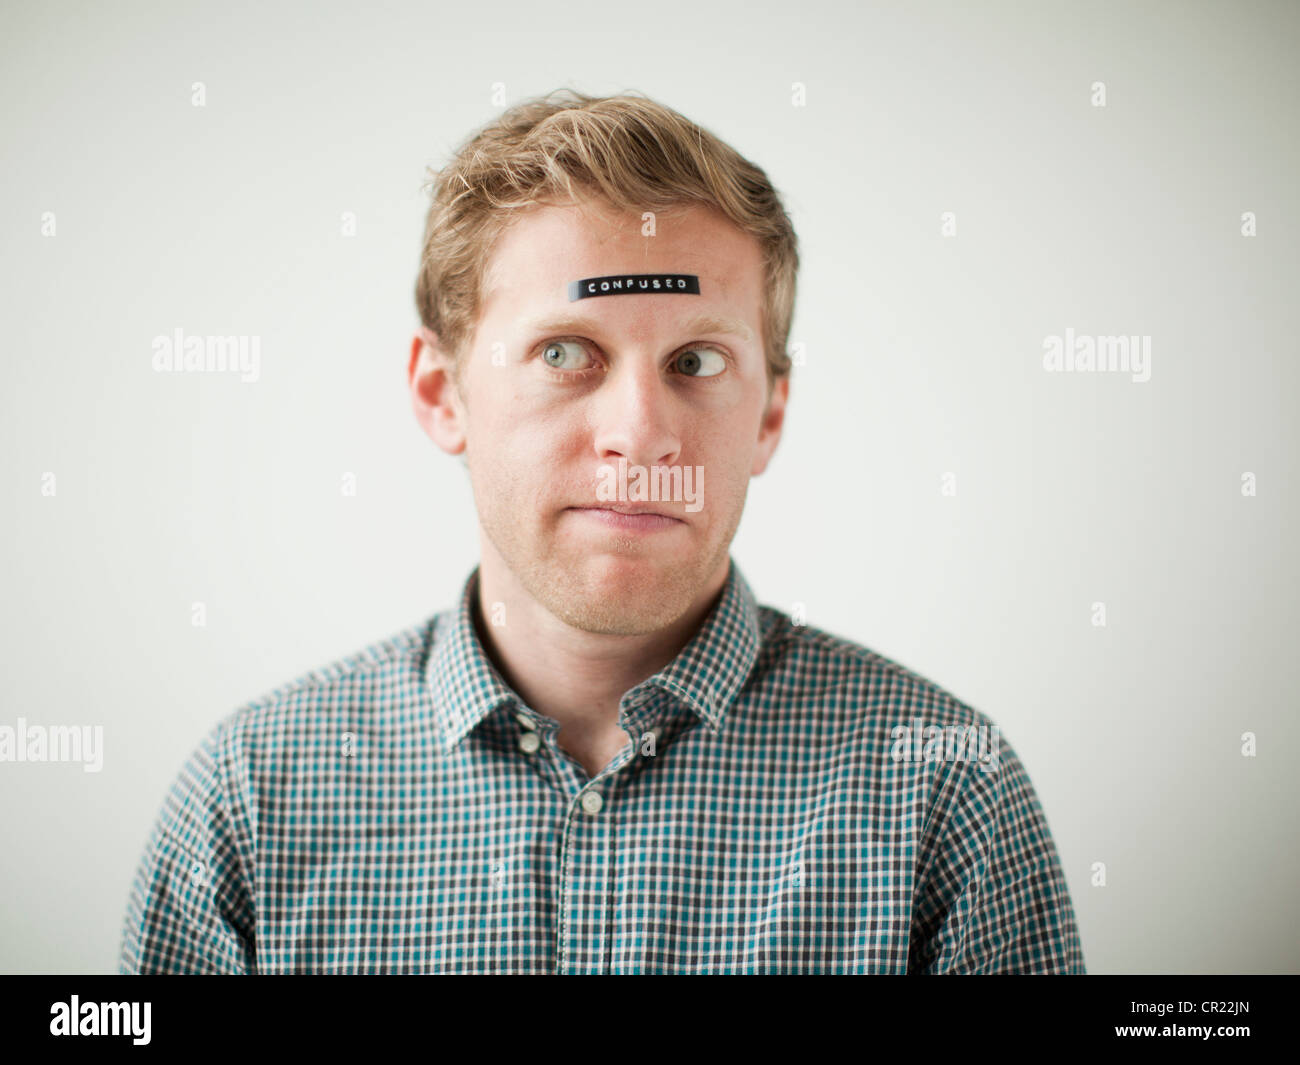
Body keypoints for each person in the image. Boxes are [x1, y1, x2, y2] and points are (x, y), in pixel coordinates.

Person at [119, 88, 1085, 974]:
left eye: (697, 360)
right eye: (566, 352)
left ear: (770, 415)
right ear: (440, 392)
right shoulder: (250, 795)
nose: (641, 432)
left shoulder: (945, 790)